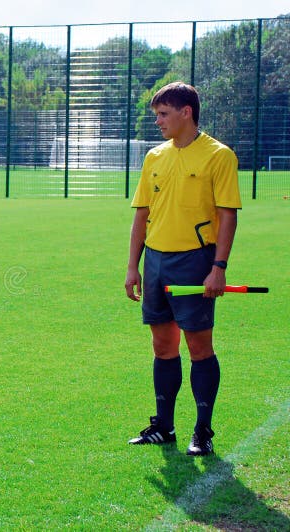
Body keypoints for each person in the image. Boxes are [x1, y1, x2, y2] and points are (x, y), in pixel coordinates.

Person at [125, 81, 241, 456]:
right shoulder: (154, 157)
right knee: (162, 346)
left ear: (185, 112)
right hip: (156, 261)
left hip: (195, 261)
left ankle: (202, 431)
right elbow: (141, 216)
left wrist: (218, 267)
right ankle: (164, 426)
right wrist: (133, 267)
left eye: (163, 114)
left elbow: (227, 216)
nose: (158, 121)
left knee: (199, 346)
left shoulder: (219, 155)